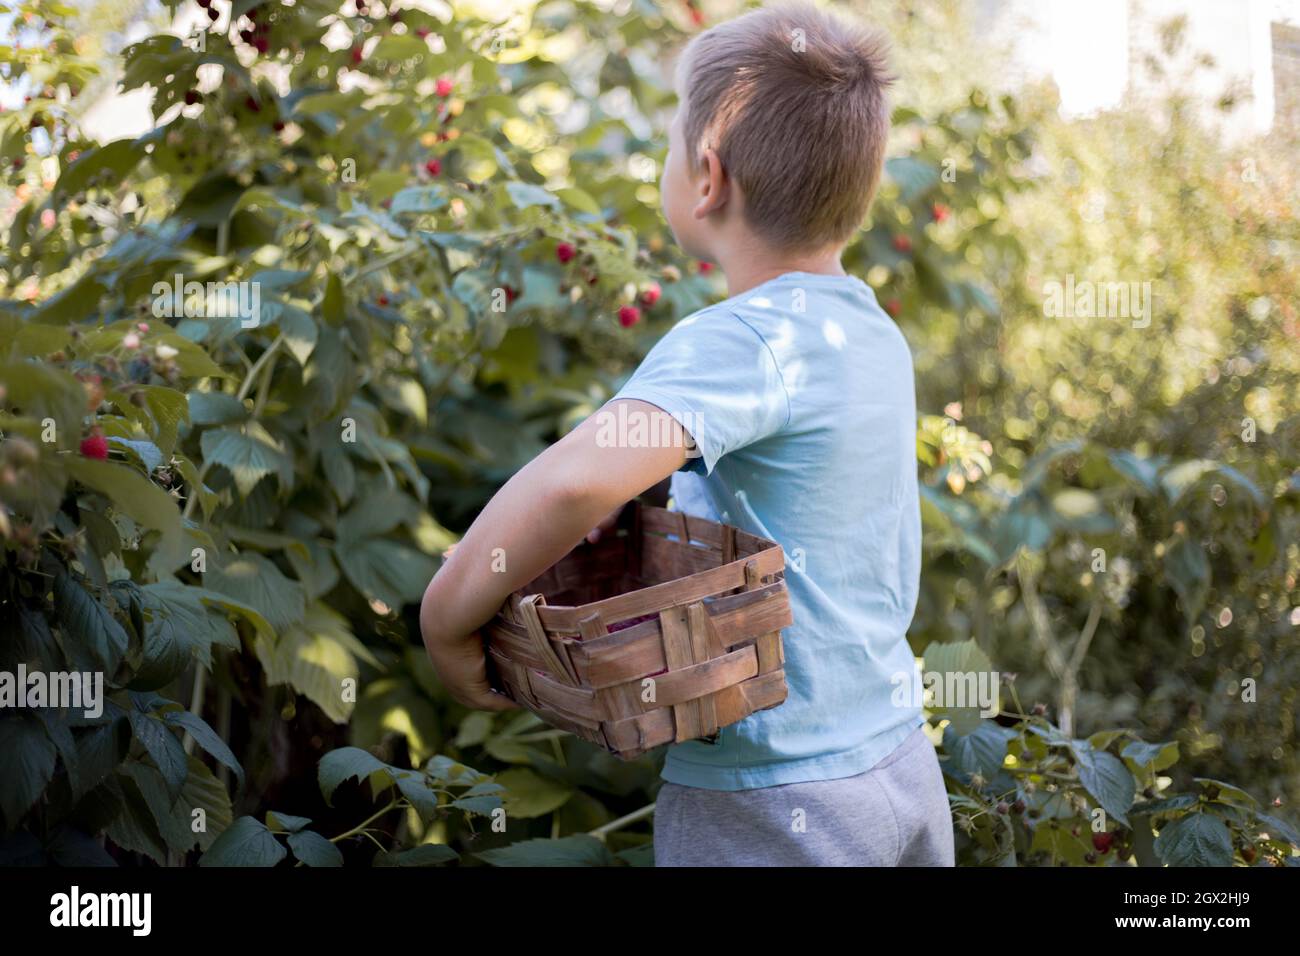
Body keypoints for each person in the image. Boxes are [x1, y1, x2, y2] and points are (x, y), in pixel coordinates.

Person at [420, 0, 953, 867]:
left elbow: (571, 483)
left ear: (707, 176)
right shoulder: (866, 330)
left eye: (671, 140)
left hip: (773, 799)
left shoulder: (745, 338)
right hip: (895, 762)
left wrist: (447, 618)